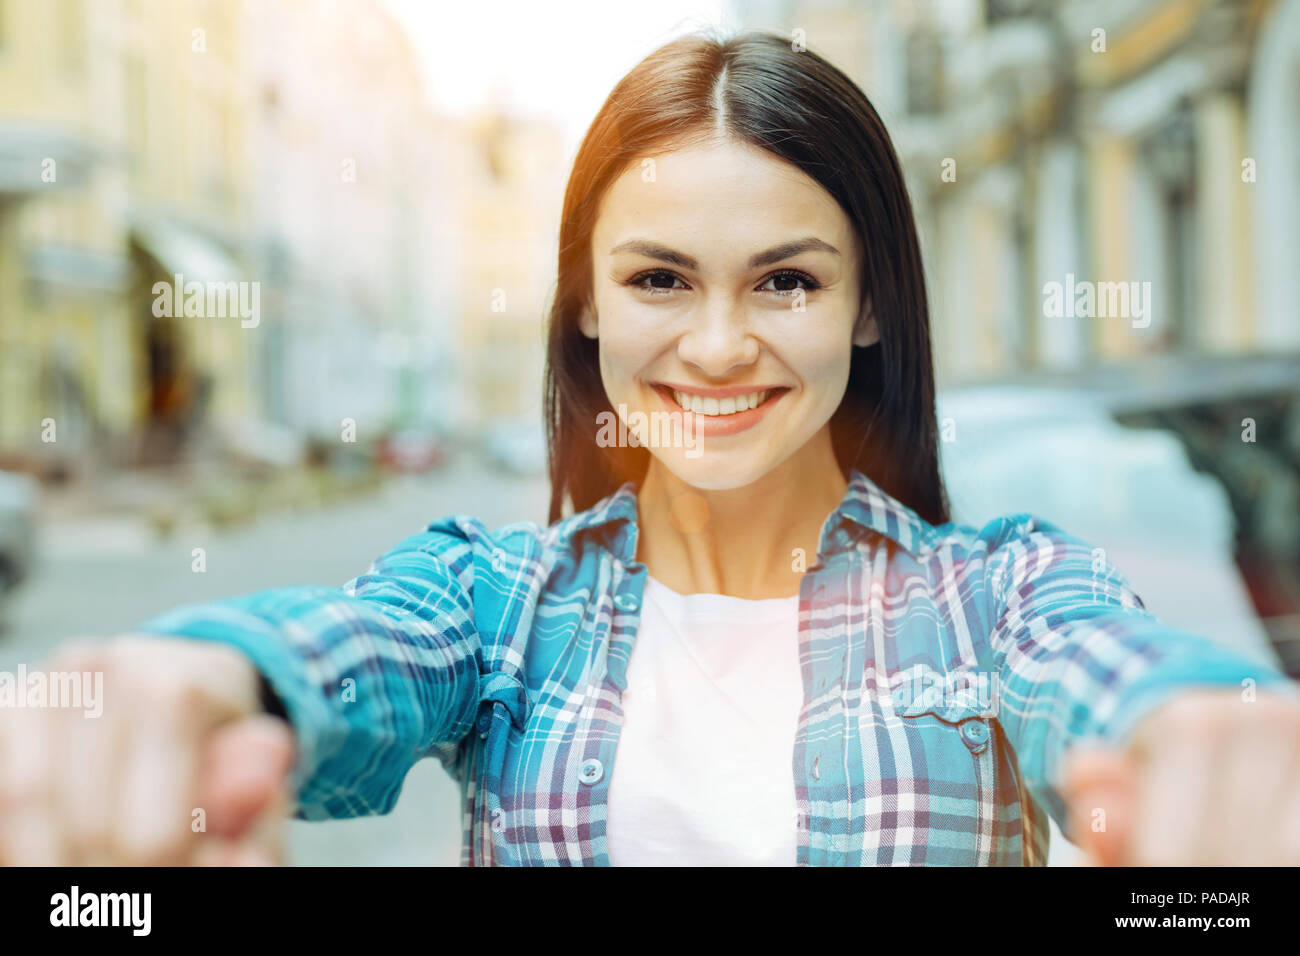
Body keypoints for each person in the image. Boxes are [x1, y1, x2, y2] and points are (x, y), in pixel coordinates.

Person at [3, 30, 1299, 867]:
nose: (720, 346)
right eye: (661, 279)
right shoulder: (497, 606)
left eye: (785, 282)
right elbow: (332, 652)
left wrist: (1203, 732)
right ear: (586, 304)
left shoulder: (998, 592)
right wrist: (183, 685)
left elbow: (1119, 673)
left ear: (872, 305)